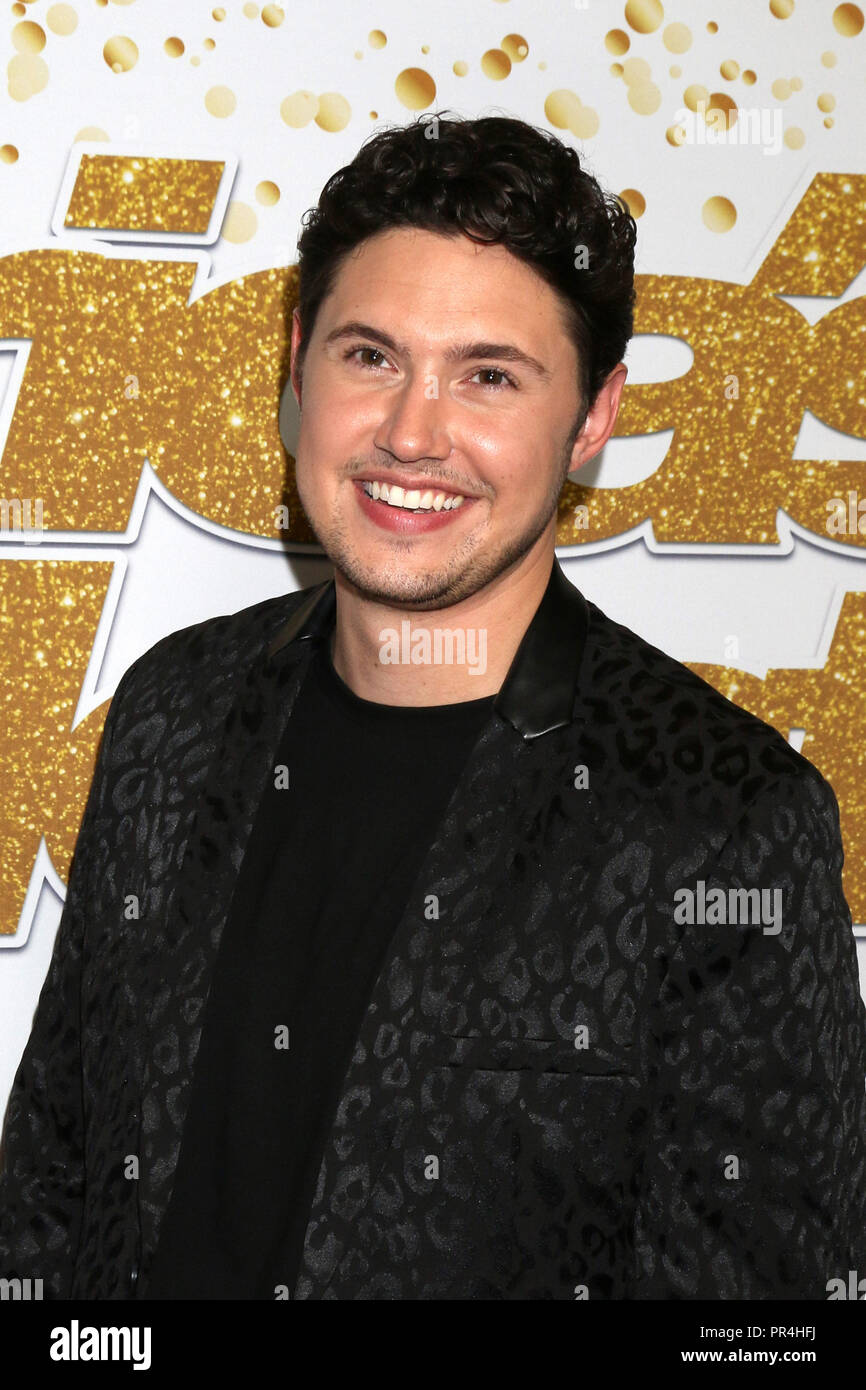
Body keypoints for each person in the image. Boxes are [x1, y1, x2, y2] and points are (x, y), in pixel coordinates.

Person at [1, 112, 864, 1301]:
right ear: (298, 360)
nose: (412, 432)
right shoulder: (172, 710)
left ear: (595, 416)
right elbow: (51, 1178)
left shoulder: (720, 818)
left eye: (488, 376)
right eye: (369, 355)